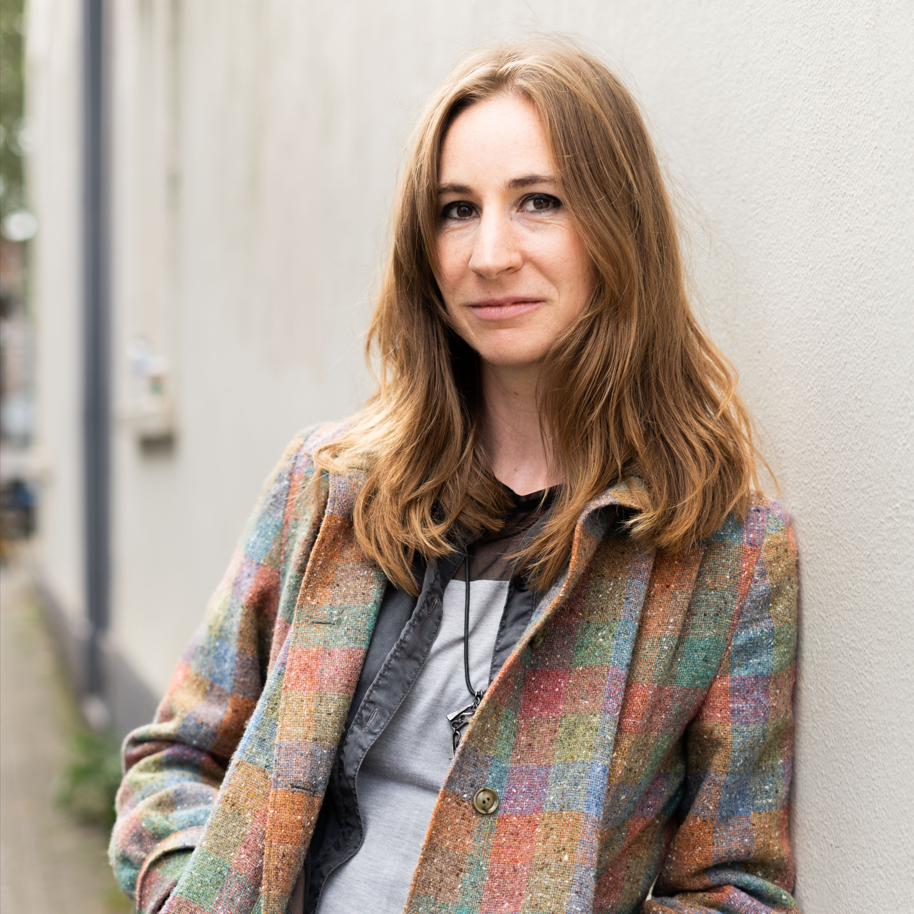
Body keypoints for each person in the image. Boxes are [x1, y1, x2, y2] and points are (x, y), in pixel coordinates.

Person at [110, 39, 799, 914]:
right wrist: (191, 894)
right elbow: (173, 760)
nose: (491, 253)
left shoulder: (726, 557)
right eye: (457, 210)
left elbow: (736, 888)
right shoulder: (327, 489)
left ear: (618, 226)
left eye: (540, 201)